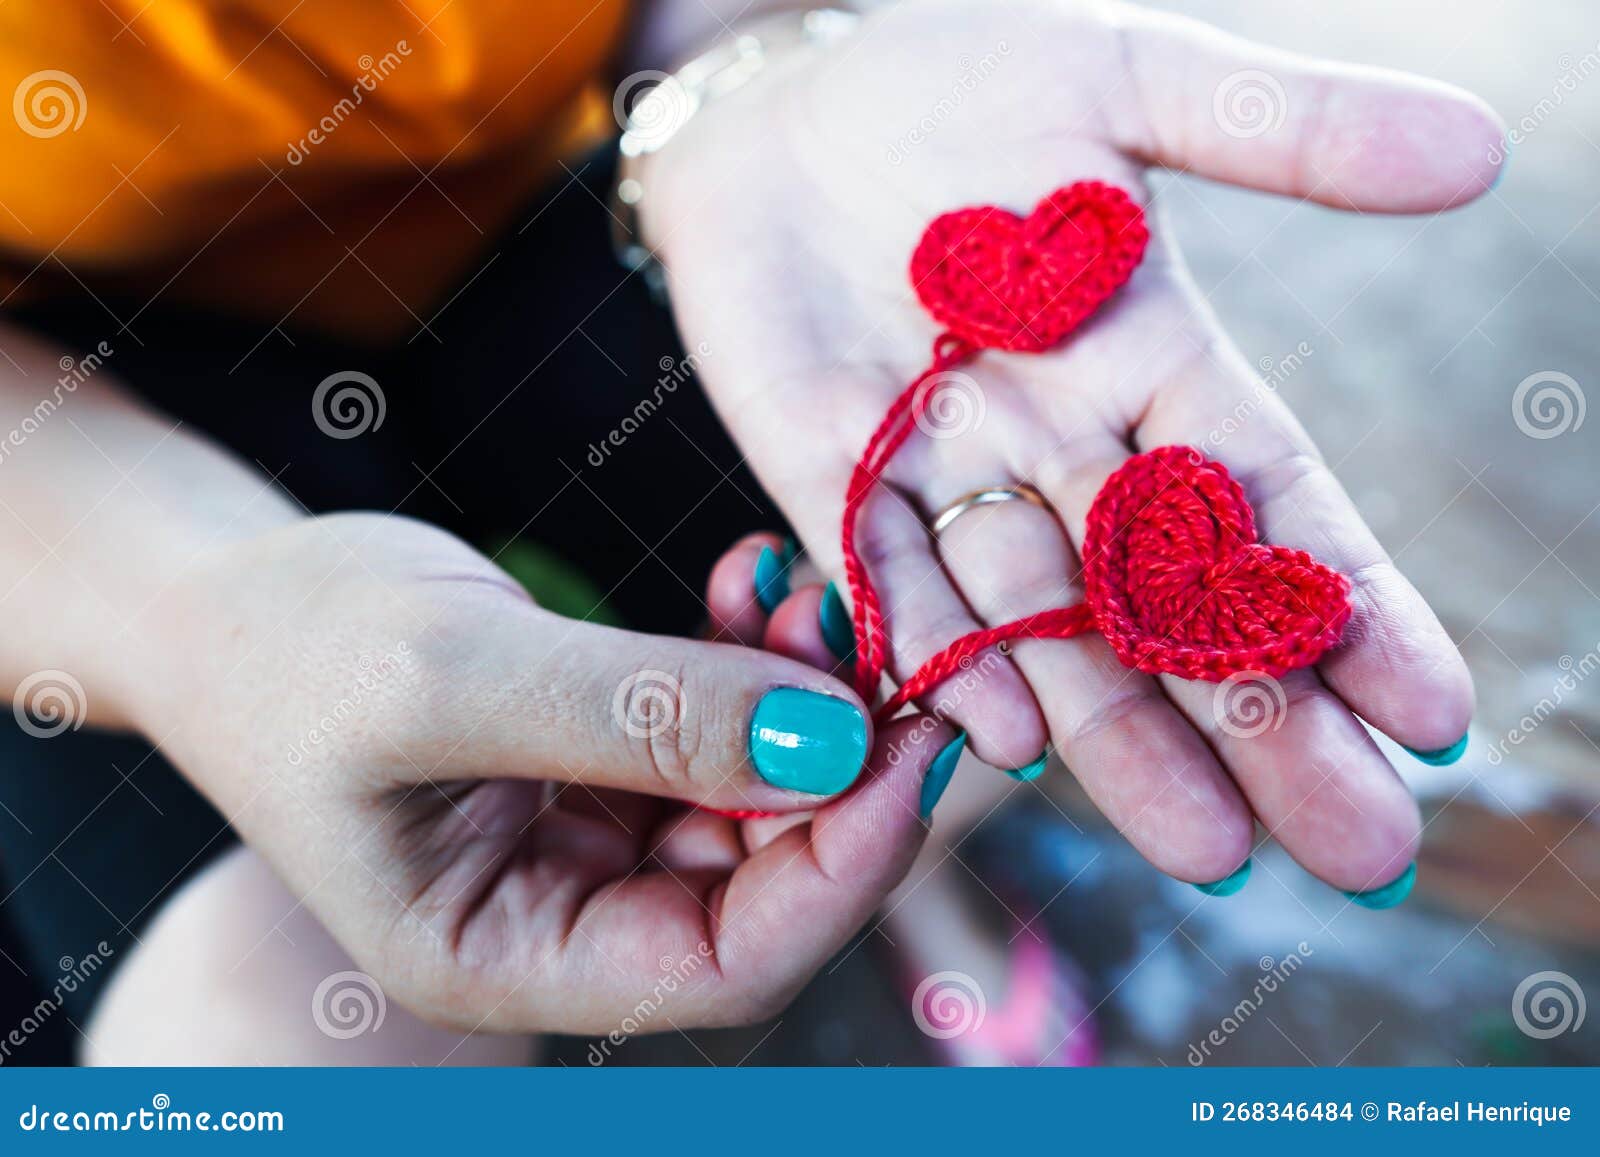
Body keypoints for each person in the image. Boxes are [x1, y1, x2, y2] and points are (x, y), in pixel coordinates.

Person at [0, 0, 1492, 1064]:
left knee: (918, 652)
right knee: (280, 1045)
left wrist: (759, 56)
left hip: (625, 207)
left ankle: (917, 886)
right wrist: (205, 613)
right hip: (73, 407)